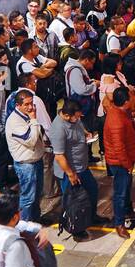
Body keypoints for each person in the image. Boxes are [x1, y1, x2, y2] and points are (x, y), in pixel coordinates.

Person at [49, 99, 101, 231]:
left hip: (82, 167)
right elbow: (59, 155)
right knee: (73, 202)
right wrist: (71, 174)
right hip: (71, 171)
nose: (78, 118)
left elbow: (79, 124)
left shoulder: (74, 118)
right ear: (66, 115)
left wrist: (85, 132)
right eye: (76, 117)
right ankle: (74, 227)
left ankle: (91, 217)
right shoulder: (58, 128)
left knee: (92, 190)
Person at [103, 84, 135, 239]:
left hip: (124, 161)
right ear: (125, 101)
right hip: (120, 163)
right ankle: (119, 224)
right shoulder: (116, 120)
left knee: (126, 188)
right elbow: (119, 147)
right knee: (120, 193)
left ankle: (127, 210)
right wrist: (127, 166)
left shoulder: (121, 112)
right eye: (130, 97)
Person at [5, 89, 46, 222]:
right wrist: (34, 120)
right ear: (18, 105)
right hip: (26, 165)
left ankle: (35, 220)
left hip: (37, 160)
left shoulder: (27, 115)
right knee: (28, 198)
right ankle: (26, 227)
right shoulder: (14, 122)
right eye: (26, 104)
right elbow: (31, 140)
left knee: (37, 195)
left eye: (31, 103)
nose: (30, 107)